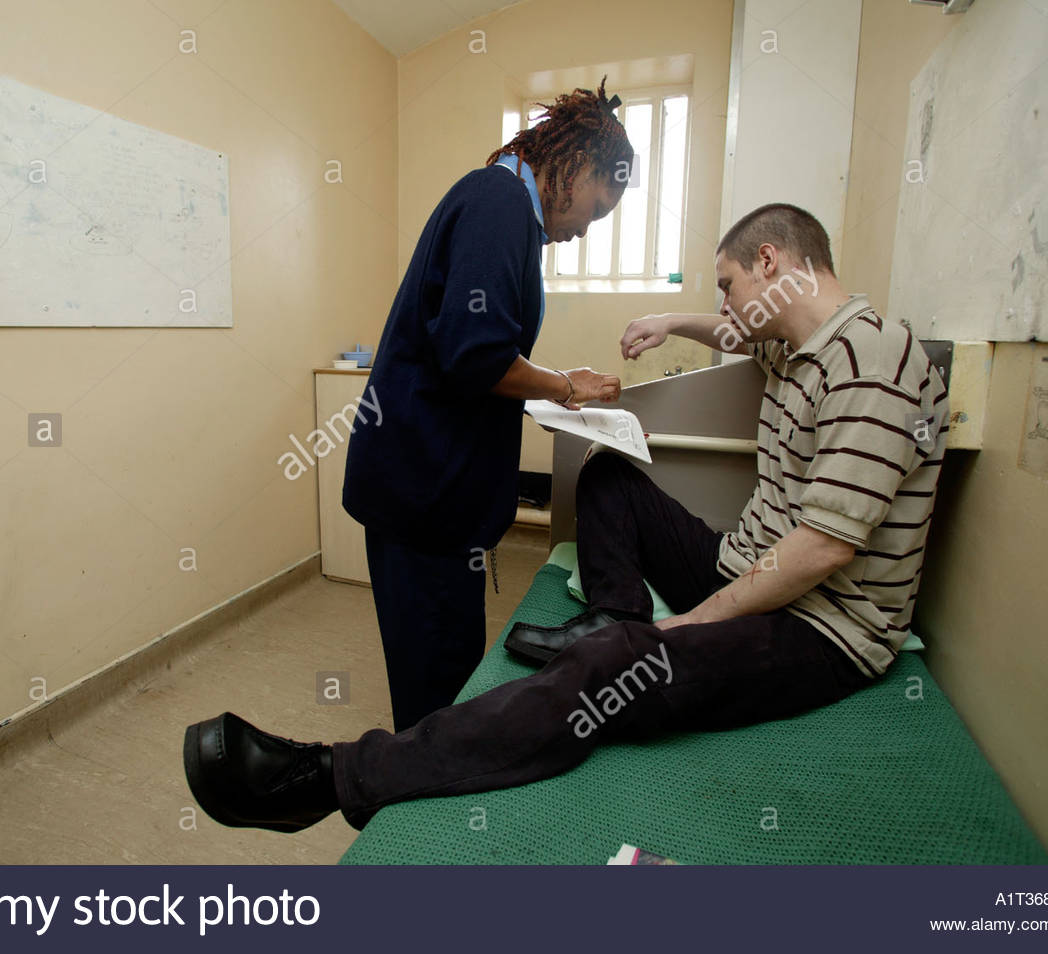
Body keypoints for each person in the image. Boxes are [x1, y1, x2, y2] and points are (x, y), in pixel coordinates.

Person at [181, 203, 949, 836]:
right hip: (744, 558)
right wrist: (669, 319)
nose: (724, 305)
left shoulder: (873, 362)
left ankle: (325, 778)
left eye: (727, 284)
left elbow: (820, 550)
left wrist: (691, 625)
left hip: (824, 627)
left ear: (773, 264)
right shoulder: (799, 344)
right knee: (609, 475)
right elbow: (734, 334)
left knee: (613, 667)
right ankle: (613, 614)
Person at [335, 80, 630, 732]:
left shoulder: (498, 203)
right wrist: (563, 386)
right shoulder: (499, 203)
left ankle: (425, 785)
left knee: (446, 670)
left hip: (430, 496)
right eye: (596, 211)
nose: (584, 230)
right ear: (577, 166)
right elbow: (475, 355)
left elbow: (474, 353)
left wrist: (557, 383)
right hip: (423, 498)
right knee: (436, 692)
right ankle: (416, 811)